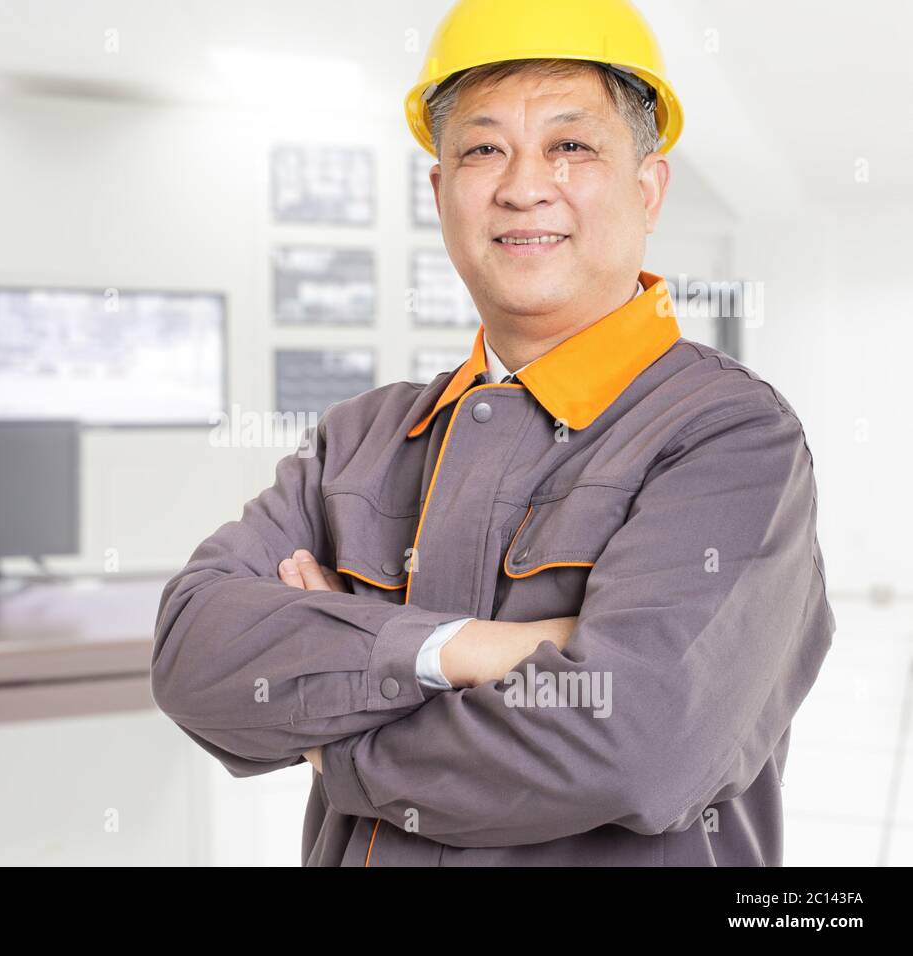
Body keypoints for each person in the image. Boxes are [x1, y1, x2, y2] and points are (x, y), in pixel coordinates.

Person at [151, 0, 835, 866]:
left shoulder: (730, 437)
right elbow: (192, 655)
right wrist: (475, 651)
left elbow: (640, 745)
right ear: (442, 194)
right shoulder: (360, 438)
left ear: (649, 187)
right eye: (482, 149)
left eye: (571, 145)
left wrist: (336, 738)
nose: (522, 185)